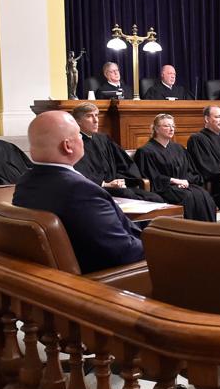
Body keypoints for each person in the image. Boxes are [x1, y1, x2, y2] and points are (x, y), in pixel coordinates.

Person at [12, 111, 143, 274]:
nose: (82, 139)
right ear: (67, 146)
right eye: (79, 135)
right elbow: (122, 251)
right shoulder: (81, 191)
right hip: (107, 279)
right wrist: (158, 244)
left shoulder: (25, 182)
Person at [70, 102, 164, 202]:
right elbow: (79, 174)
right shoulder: (75, 143)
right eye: (89, 116)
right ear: (78, 121)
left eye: (96, 115)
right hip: (96, 189)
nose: (96, 120)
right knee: (128, 195)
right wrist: (105, 184)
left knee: (156, 198)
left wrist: (121, 180)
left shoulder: (104, 139)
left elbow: (124, 164)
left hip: (117, 187)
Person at [134, 114, 217, 222]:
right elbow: (151, 177)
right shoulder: (146, 151)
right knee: (188, 197)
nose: (171, 129)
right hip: (165, 188)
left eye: (173, 126)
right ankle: (188, 230)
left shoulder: (179, 148)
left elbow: (190, 170)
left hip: (184, 185)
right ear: (156, 129)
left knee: (204, 195)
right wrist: (173, 180)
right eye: (167, 126)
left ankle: (207, 230)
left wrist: (185, 181)